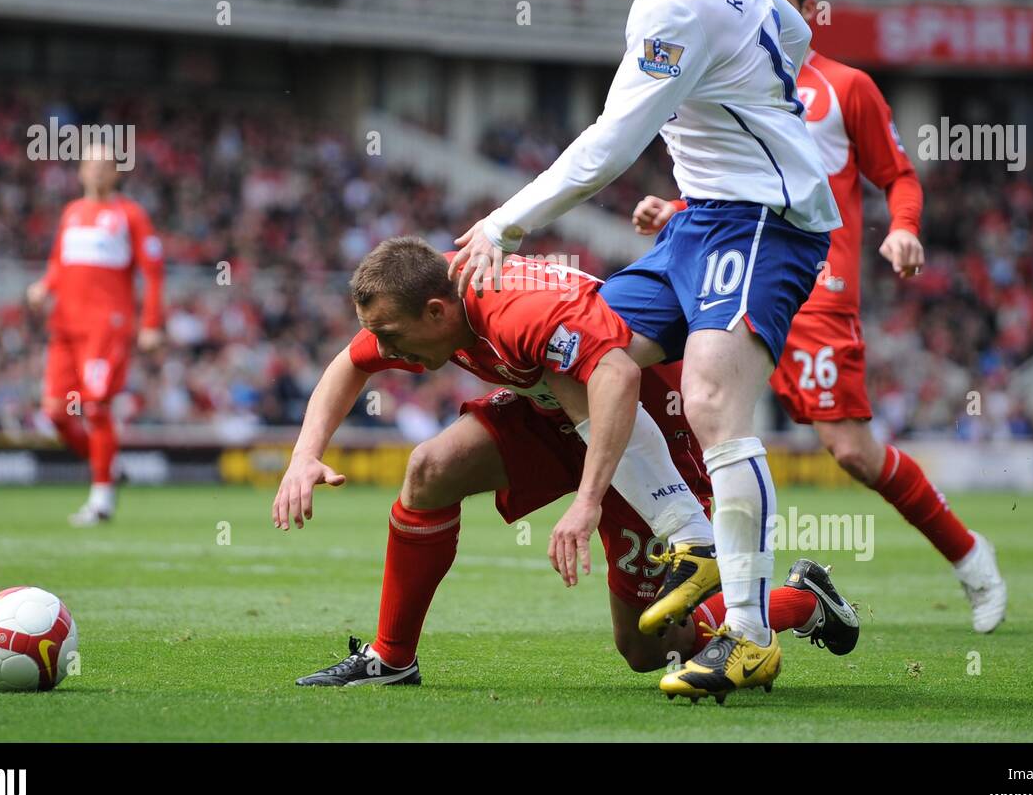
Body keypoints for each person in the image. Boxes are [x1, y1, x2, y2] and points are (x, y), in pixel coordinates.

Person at [450, 0, 839, 700]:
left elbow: (609, 147)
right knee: (577, 355)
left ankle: (748, 635)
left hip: (765, 219)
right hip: (703, 217)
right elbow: (800, 37)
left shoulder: (675, 4)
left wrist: (504, 221)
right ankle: (689, 534)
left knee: (710, 398)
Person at [274, 237, 858, 692]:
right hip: (553, 405)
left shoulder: (515, 312)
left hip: (637, 421)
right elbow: (349, 364)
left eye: (394, 338)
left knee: (646, 646)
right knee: (430, 469)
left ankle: (802, 602)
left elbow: (619, 376)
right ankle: (392, 657)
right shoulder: (432, 297)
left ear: (435, 311)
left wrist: (586, 501)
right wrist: (304, 456)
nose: (389, 351)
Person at [632, 0, 1007, 632]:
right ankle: (728, 603)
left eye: (778, 7)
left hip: (816, 291)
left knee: (851, 452)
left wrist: (904, 228)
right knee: (688, 410)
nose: (760, 19)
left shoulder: (846, 87)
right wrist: (678, 210)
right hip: (727, 274)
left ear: (808, 14)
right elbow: (726, 185)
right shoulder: (723, 72)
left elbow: (898, 174)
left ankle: (969, 554)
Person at [26, 150, 165, 526]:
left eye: (106, 165)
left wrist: (151, 323)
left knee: (95, 407)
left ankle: (101, 498)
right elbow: (60, 263)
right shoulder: (71, 212)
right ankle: (107, 464)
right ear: (81, 171)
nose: (98, 171)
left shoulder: (130, 215)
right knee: (56, 412)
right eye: (91, 164)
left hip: (106, 327)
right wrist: (44, 285)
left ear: (117, 174)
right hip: (65, 327)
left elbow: (153, 272)